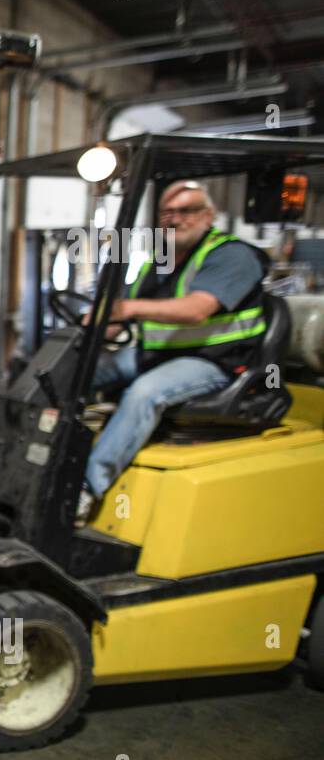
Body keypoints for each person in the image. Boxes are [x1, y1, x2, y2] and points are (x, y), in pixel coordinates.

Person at [78, 180, 267, 522]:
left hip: (215, 361)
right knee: (73, 373)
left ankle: (86, 488)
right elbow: (122, 317)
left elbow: (196, 310)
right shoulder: (158, 260)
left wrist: (127, 309)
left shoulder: (232, 255)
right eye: (168, 212)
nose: (176, 219)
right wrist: (94, 327)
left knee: (144, 393)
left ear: (208, 215)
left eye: (187, 211)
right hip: (157, 354)